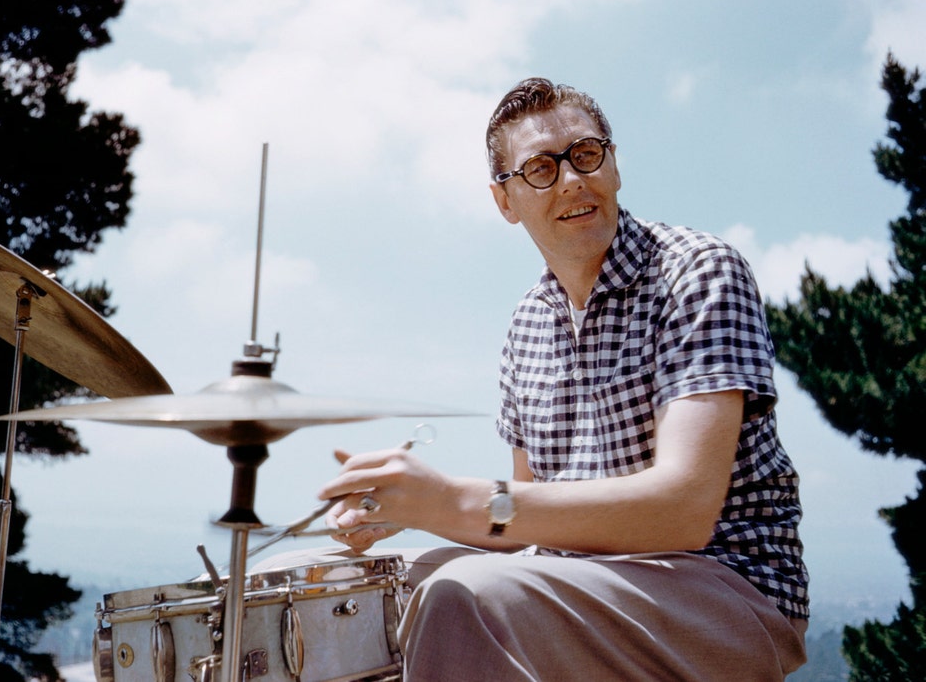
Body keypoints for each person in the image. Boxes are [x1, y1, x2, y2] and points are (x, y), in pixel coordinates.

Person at [269, 78, 810, 681]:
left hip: (727, 591)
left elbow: (682, 512)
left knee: (463, 595)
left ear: (614, 165)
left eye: (585, 154)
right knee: (339, 586)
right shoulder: (527, 321)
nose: (573, 179)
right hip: (585, 578)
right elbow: (529, 522)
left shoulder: (698, 272)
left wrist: (454, 499)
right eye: (540, 169)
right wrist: (417, 510)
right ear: (505, 202)